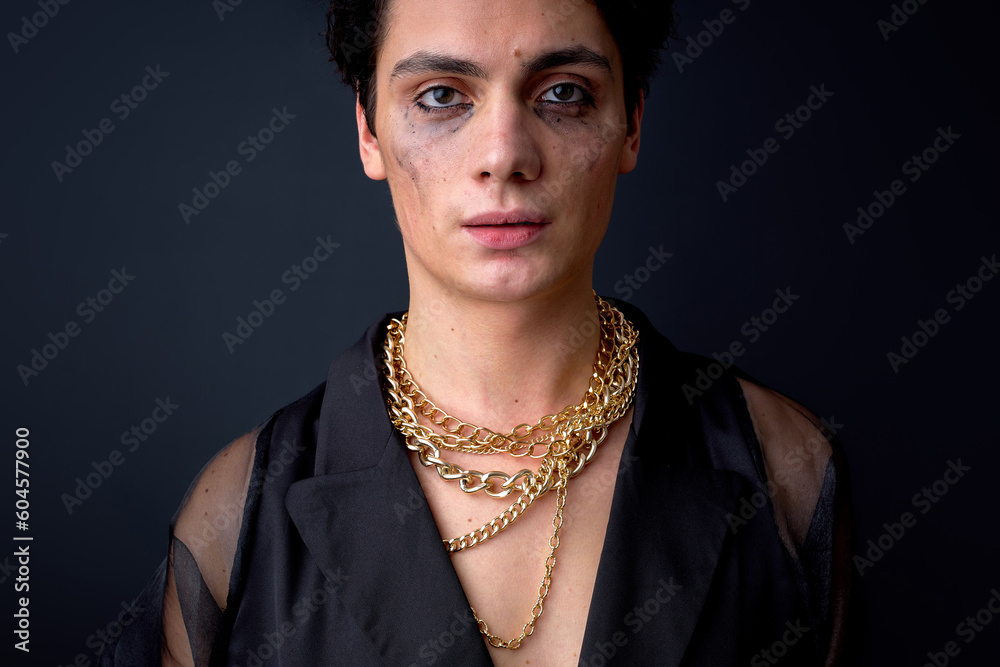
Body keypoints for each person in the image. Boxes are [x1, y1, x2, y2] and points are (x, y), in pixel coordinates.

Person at [103, 0, 857, 664]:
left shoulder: (783, 469)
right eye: (440, 96)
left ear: (631, 124)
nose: (504, 154)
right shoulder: (236, 514)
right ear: (368, 130)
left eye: (563, 93)